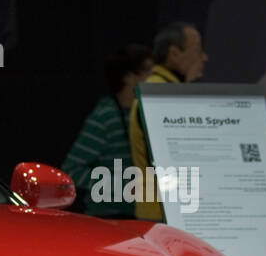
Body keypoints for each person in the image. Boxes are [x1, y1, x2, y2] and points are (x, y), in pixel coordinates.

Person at [127, 21, 209, 220]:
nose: (204, 58)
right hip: (164, 218)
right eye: (197, 50)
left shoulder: (160, 94)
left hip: (165, 215)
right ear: (174, 54)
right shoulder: (160, 97)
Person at [61, 44, 153, 217]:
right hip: (110, 220)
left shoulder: (147, 115)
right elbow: (71, 171)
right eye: (149, 73)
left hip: (144, 218)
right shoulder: (106, 116)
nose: (155, 79)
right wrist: (122, 186)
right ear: (129, 77)